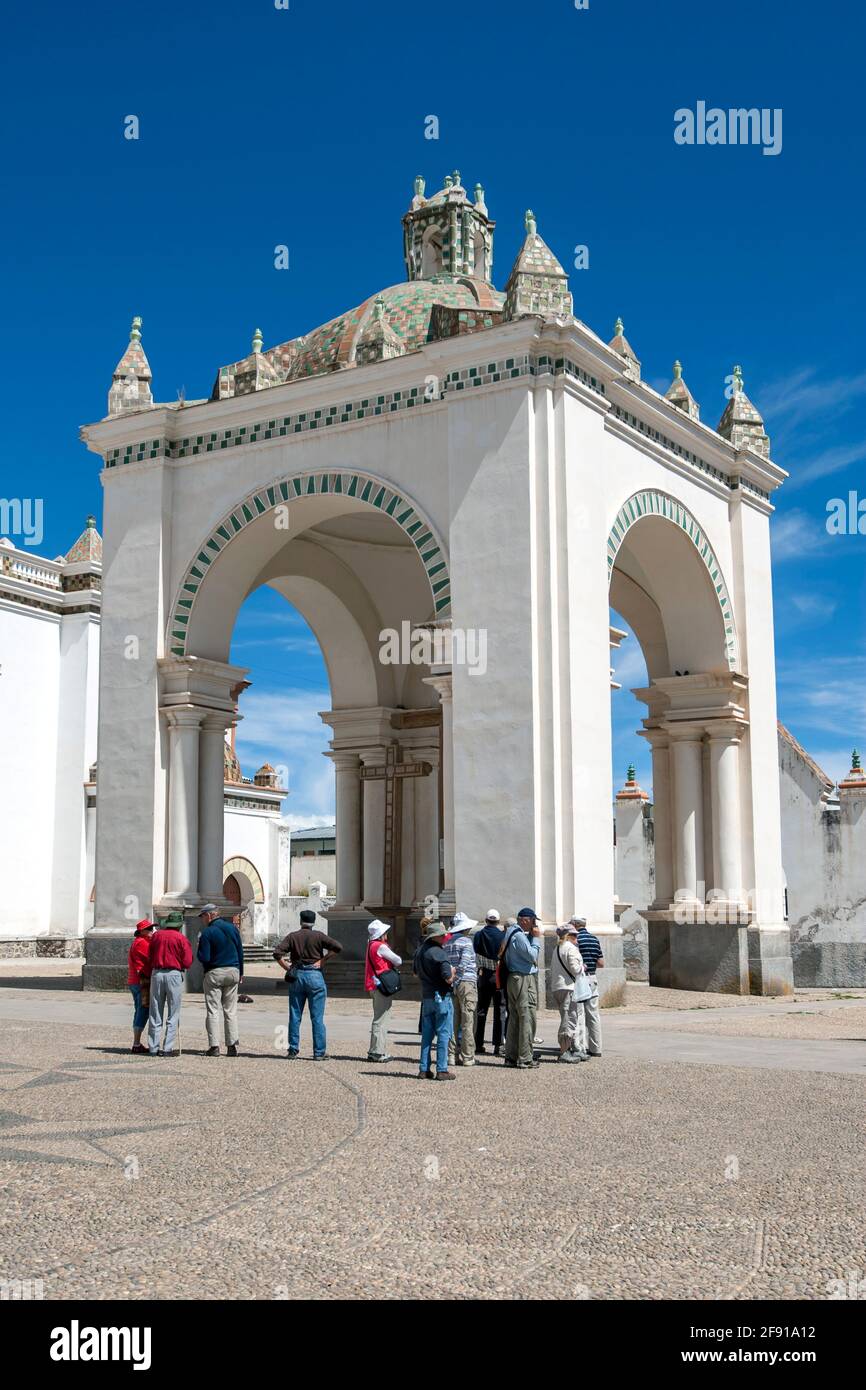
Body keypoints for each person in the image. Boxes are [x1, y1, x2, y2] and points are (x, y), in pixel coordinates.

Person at [273, 908, 343, 1060]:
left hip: (297, 975)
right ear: (313, 922)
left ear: (300, 921)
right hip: (315, 975)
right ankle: (319, 1052)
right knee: (317, 1017)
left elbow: (277, 953)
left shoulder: (293, 936)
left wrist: (287, 967)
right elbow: (338, 947)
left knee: (295, 1014)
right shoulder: (318, 936)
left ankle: (293, 1049)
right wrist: (323, 960)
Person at [197, 903, 244, 1057]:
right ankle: (232, 1046)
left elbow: (205, 958)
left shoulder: (207, 932)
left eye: (203, 916)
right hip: (233, 970)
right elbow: (240, 951)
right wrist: (241, 972)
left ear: (209, 915)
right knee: (231, 1011)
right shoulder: (232, 928)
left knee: (213, 1010)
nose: (202, 919)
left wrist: (199, 947)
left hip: (215, 972)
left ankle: (214, 1046)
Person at [413, 919, 455, 1080]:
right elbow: (448, 978)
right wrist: (454, 972)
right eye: (442, 935)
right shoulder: (440, 953)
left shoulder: (419, 951)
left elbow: (415, 973)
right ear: (437, 936)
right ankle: (442, 1069)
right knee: (444, 1033)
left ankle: (424, 1068)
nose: (444, 937)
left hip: (427, 996)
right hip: (441, 996)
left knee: (427, 1035)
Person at [147, 911, 193, 1057]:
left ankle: (153, 1047)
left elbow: (150, 955)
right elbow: (187, 961)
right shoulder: (181, 938)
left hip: (157, 973)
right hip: (174, 974)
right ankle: (167, 1048)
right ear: (179, 925)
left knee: (155, 1011)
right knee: (173, 1012)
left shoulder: (156, 936)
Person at [502, 908, 541, 1070]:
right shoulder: (518, 935)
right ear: (525, 920)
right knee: (527, 1017)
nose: (535, 924)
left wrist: (531, 936)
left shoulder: (511, 932)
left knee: (515, 1018)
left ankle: (511, 1057)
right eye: (533, 920)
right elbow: (532, 956)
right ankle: (525, 1058)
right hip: (523, 978)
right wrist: (536, 939)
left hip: (515, 978)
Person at [550, 924, 589, 1062]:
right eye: (575, 935)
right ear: (569, 936)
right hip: (568, 987)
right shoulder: (570, 948)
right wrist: (582, 968)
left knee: (567, 1017)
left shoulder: (557, 948)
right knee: (569, 1019)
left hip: (558, 986)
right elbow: (575, 968)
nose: (577, 938)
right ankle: (564, 1052)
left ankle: (571, 1049)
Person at [365, 919, 402, 1062]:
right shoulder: (380, 946)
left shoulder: (370, 945)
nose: (387, 935)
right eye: (385, 933)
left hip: (374, 984)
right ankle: (377, 1052)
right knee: (381, 1019)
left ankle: (375, 1050)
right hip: (381, 985)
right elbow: (398, 960)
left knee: (379, 1017)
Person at [444, 912, 478, 1067]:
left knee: (453, 1021)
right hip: (466, 983)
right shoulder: (466, 942)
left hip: (451, 983)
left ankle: (451, 1055)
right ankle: (467, 1056)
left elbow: (447, 964)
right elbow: (463, 965)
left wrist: (452, 981)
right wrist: (458, 980)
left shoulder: (447, 942)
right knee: (467, 1020)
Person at [473, 908, 507, 1056]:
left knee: (481, 1011)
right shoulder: (502, 936)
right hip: (498, 976)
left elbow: (476, 954)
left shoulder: (478, 935)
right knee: (500, 1011)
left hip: (484, 975)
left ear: (486, 920)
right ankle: (498, 1045)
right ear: (498, 921)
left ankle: (478, 1043)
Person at [574, 916, 604, 1057]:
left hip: (580, 979)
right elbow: (601, 963)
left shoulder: (575, 940)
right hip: (593, 978)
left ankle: (581, 1046)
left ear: (574, 924)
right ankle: (596, 1048)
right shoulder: (594, 939)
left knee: (579, 1013)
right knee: (593, 1014)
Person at [127, 919, 154, 1053]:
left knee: (140, 1010)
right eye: (149, 929)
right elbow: (151, 958)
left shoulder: (140, 942)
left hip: (136, 981)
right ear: (142, 931)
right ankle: (136, 1043)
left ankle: (137, 1043)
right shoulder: (141, 943)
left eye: (152, 928)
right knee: (142, 1010)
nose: (152, 931)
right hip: (140, 981)